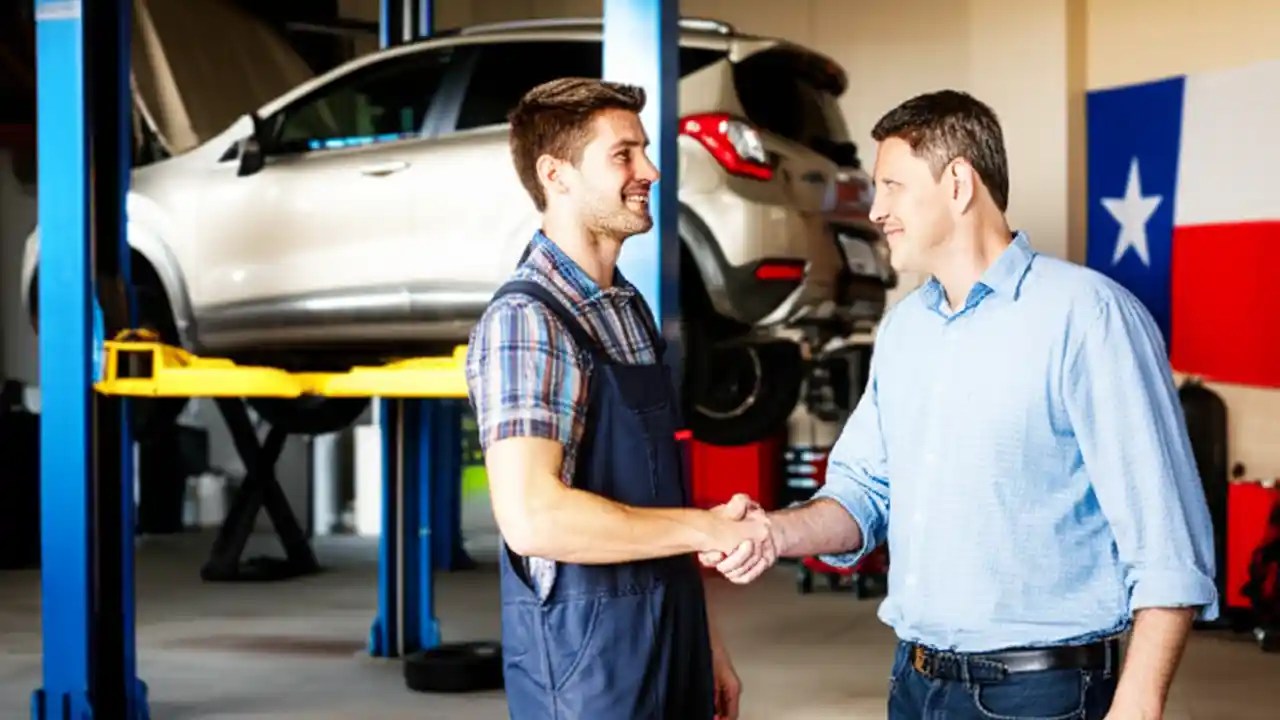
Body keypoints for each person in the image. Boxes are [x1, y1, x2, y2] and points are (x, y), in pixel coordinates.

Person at [702, 89, 1219, 720]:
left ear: (957, 183)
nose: (878, 209)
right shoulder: (903, 332)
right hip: (915, 683)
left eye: (891, 185)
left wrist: (1137, 704)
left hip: (1042, 696)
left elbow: (1167, 544)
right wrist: (771, 531)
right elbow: (862, 494)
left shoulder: (1087, 316)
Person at [464, 77, 770, 720]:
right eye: (623, 155)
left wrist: (706, 641)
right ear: (557, 175)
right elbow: (533, 518)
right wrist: (709, 528)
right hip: (588, 671)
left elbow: (658, 498)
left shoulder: (627, 310)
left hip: (671, 643)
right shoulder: (529, 320)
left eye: (645, 151)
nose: (650, 171)